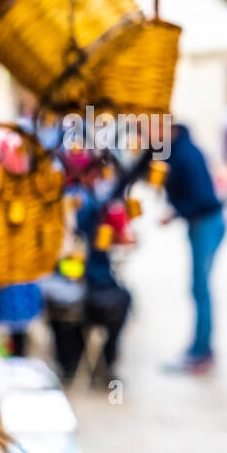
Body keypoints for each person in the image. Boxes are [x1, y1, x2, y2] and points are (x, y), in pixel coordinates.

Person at [132, 122, 225, 374]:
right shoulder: (165, 149)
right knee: (198, 286)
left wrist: (174, 213)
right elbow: (133, 171)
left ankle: (201, 352)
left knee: (200, 287)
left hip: (207, 223)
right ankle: (200, 347)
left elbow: (203, 198)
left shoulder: (186, 153)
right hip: (199, 223)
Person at [47, 153, 132, 385]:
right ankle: (104, 363)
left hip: (73, 280)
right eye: (96, 173)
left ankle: (83, 363)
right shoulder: (80, 201)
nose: (100, 179)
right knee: (120, 301)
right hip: (81, 283)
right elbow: (75, 253)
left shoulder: (75, 198)